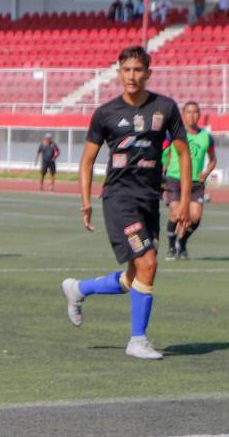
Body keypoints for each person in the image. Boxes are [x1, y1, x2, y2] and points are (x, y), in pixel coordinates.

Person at [62, 46, 190, 360]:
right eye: (126, 70)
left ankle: (79, 289)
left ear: (148, 72)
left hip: (150, 201)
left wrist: (183, 201)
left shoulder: (166, 108)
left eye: (137, 70)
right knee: (149, 263)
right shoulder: (105, 113)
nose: (131, 76)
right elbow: (87, 161)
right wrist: (85, 201)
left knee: (135, 276)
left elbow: (184, 155)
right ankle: (137, 340)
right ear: (118, 72)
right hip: (119, 200)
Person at [162, 101, 216, 260]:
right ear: (183, 115)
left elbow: (213, 159)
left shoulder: (207, 137)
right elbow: (162, 150)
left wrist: (205, 173)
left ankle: (182, 242)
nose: (192, 115)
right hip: (175, 179)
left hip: (195, 183)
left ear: (199, 115)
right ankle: (171, 247)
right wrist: (163, 167)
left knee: (195, 217)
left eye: (195, 112)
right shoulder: (174, 133)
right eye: (188, 112)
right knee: (177, 212)